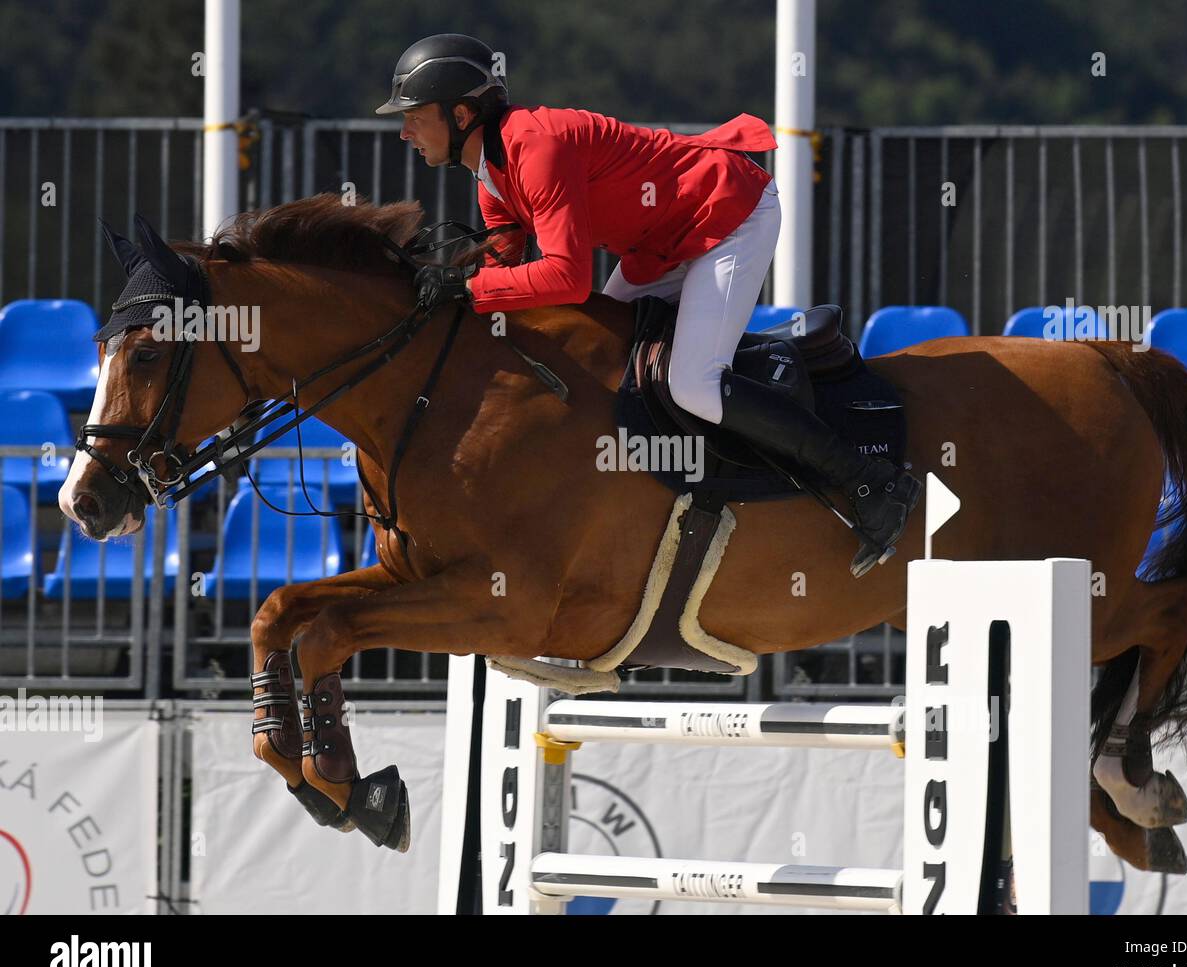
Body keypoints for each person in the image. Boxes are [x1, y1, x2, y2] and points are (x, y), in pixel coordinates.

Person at [376, 33, 919, 576]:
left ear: (462, 113)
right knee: (597, 359)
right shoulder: (490, 174)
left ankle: (869, 481)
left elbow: (566, 276)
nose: (404, 132)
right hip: (660, 245)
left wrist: (467, 290)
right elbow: (504, 274)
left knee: (694, 384)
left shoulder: (536, 146)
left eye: (414, 117)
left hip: (727, 215)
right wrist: (450, 290)